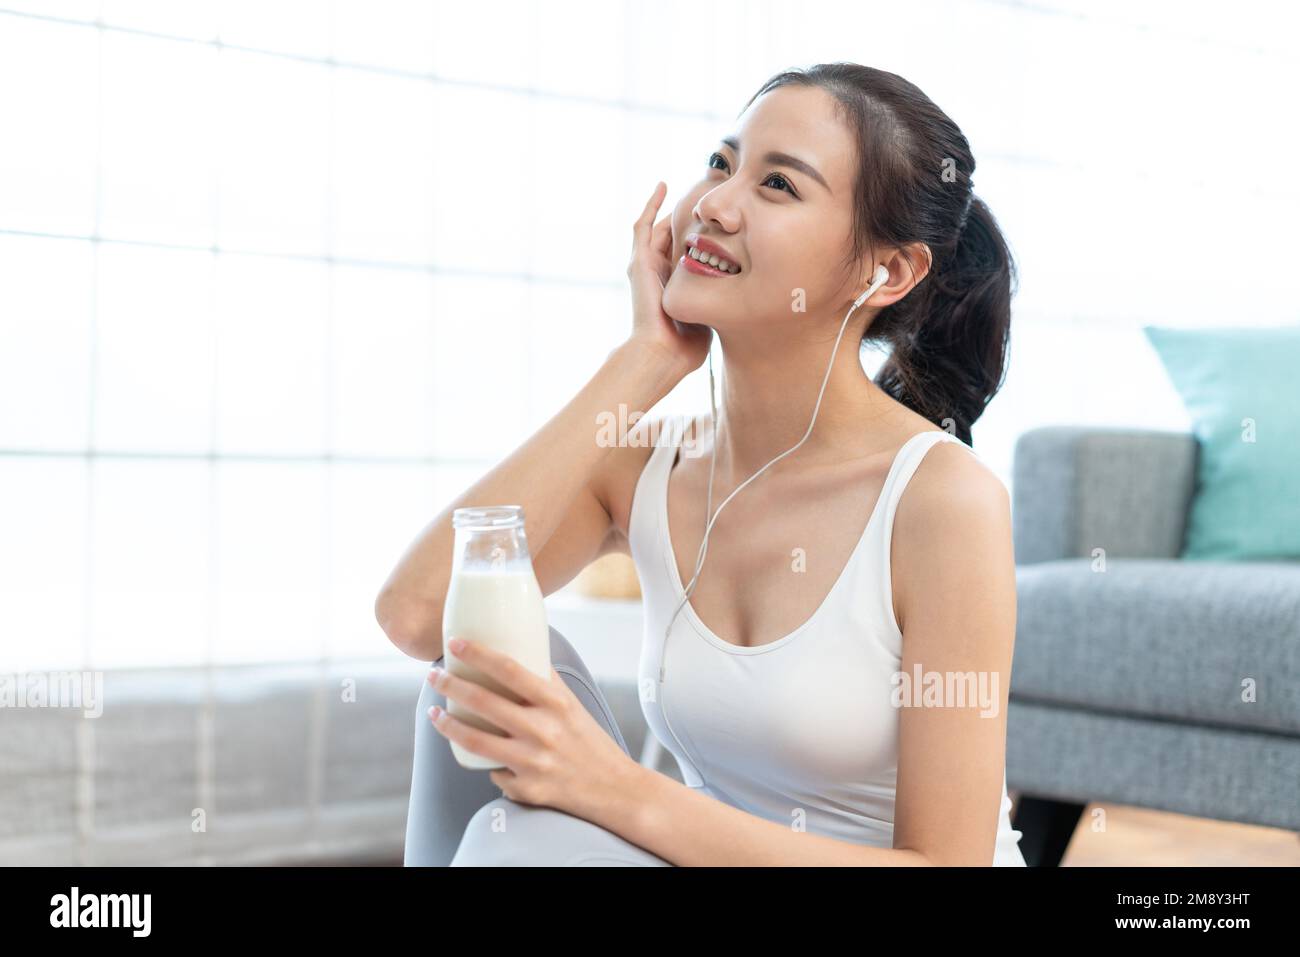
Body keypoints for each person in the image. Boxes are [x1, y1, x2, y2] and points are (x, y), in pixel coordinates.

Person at [381, 61, 1024, 866]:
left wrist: (614, 788)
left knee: (522, 844)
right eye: (721, 164)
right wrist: (643, 360)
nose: (713, 205)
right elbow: (418, 615)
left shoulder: (942, 499)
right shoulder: (651, 462)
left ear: (884, 271)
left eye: (778, 186)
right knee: (472, 670)